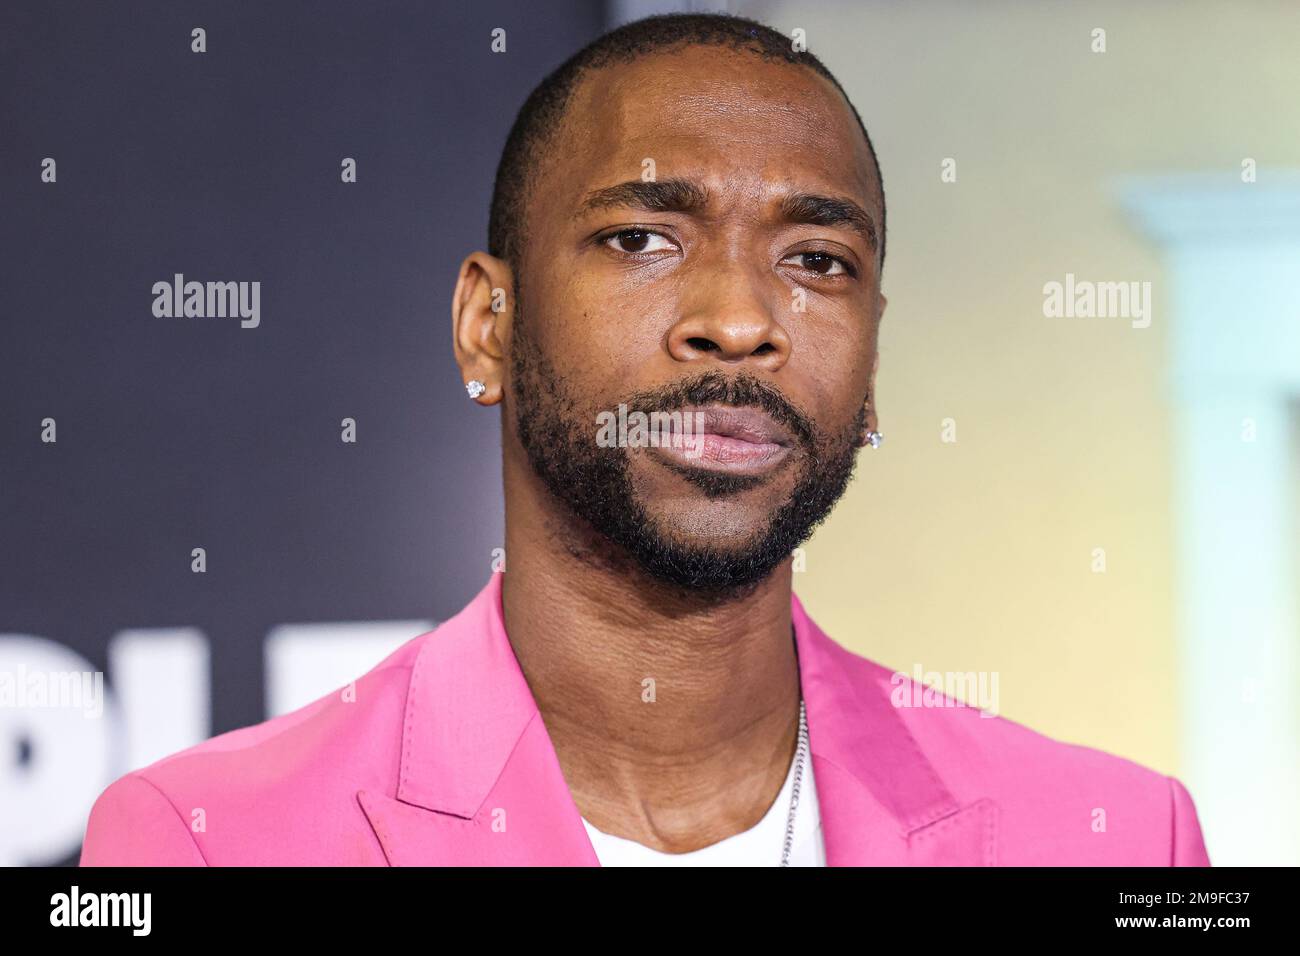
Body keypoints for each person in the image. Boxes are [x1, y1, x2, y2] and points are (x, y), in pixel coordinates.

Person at [80, 12, 1210, 866]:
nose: (740, 319)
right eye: (641, 236)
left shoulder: (1116, 838)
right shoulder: (207, 840)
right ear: (488, 326)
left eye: (816, 260)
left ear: (871, 369)